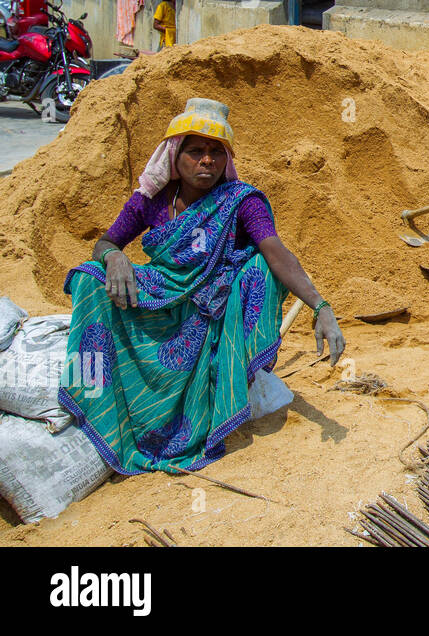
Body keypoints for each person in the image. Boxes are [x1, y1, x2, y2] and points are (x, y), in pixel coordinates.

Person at [61, 98, 345, 474]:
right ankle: (94, 389)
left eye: (216, 152)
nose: (207, 161)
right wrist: (114, 257)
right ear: (175, 156)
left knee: (260, 267)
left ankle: (223, 380)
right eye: (195, 151)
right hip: (163, 293)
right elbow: (106, 241)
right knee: (88, 277)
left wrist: (320, 305)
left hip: (213, 306)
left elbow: (275, 250)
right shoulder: (150, 201)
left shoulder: (241, 200)